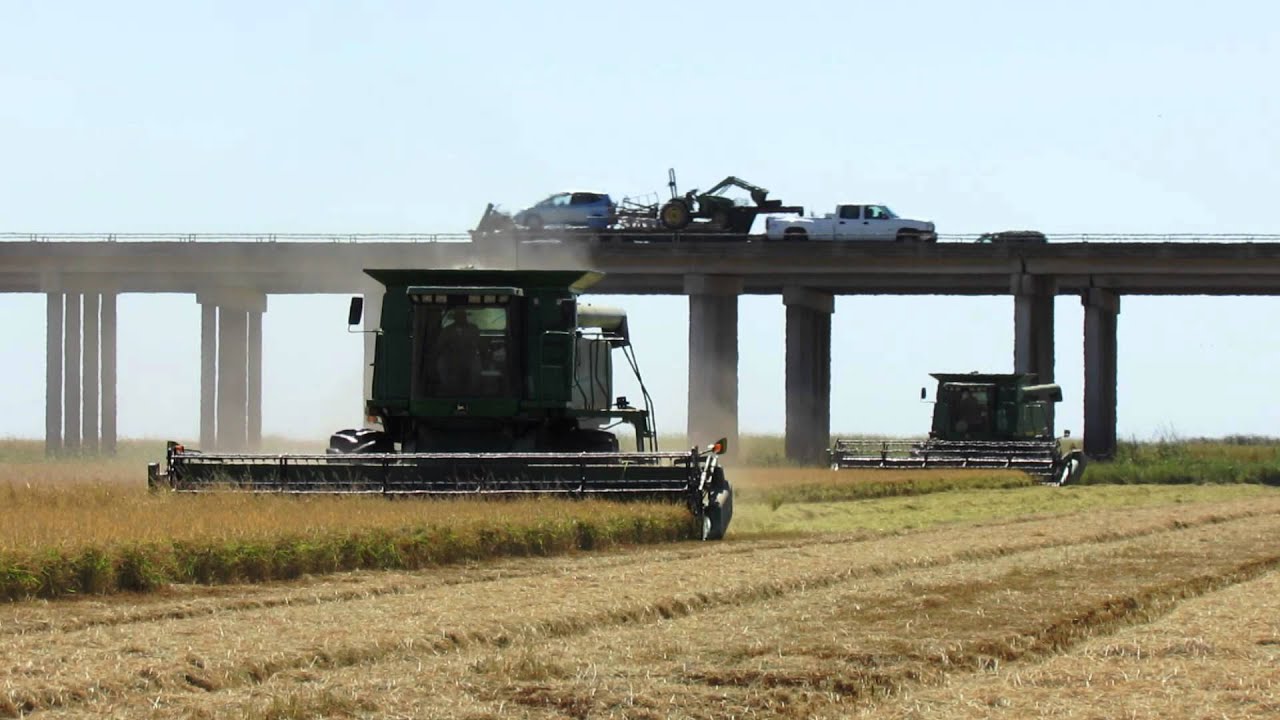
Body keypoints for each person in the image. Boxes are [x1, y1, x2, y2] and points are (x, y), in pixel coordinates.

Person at [434, 307, 482, 394]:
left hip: (470, 357)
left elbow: (478, 343)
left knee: (476, 368)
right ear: (455, 317)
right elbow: (440, 345)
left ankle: (473, 391)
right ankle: (449, 391)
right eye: (458, 315)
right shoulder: (447, 330)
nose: (461, 317)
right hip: (451, 358)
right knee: (442, 365)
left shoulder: (473, 328)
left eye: (462, 315)